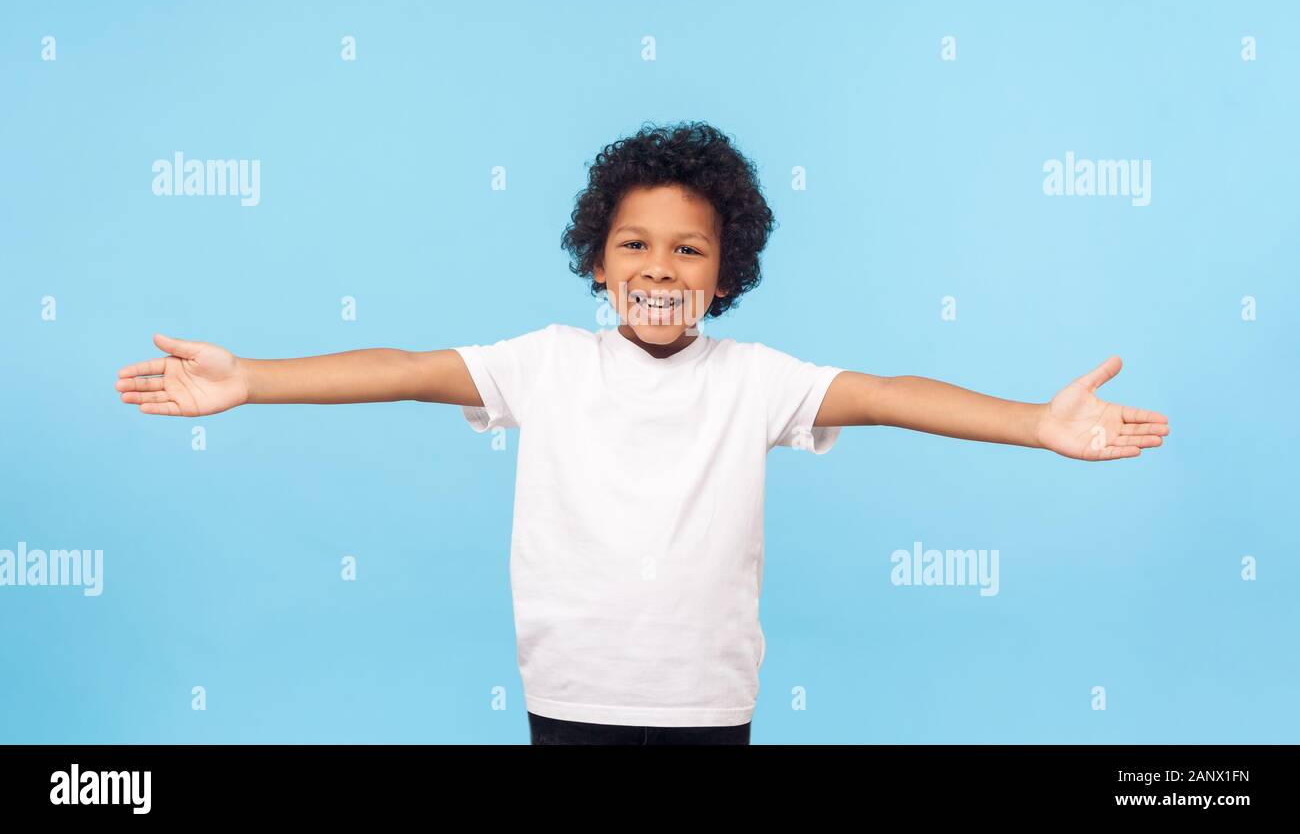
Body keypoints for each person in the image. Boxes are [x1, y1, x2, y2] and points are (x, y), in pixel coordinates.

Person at [114, 121, 1170, 745]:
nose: (660, 268)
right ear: (597, 261)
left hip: (708, 700)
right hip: (570, 691)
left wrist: (1036, 423)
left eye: (688, 250)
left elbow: (891, 391)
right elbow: (403, 368)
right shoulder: (548, 362)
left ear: (726, 271)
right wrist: (250, 377)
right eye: (635, 243)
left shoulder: (756, 380)